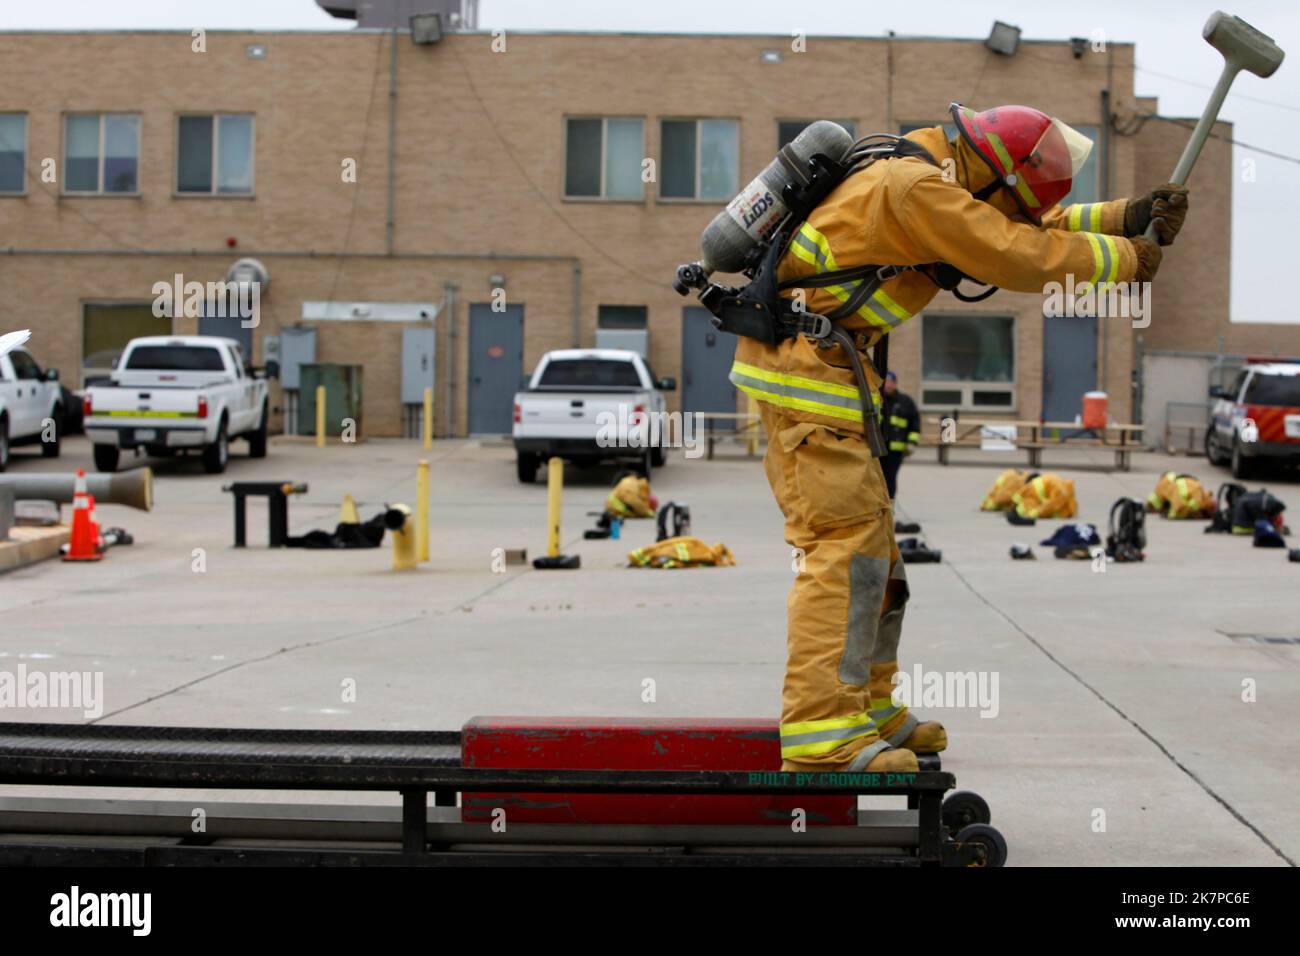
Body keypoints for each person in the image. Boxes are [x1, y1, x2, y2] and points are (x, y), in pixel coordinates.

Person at [729, 103, 1188, 773]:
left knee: (877, 556)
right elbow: (1013, 250)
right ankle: (822, 733)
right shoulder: (916, 190)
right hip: (805, 380)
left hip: (823, 376)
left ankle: (865, 706)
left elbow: (1015, 227)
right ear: (1001, 175)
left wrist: (1125, 218)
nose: (1020, 211)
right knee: (843, 552)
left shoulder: (930, 174)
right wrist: (1124, 261)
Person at [880, 371, 920, 500]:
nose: (888, 385)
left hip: (896, 450)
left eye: (891, 382)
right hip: (878, 448)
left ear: (895, 384)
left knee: (890, 478)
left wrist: (912, 443)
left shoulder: (905, 401)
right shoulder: (877, 399)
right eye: (886, 382)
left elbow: (915, 424)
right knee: (877, 479)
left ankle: (890, 507)